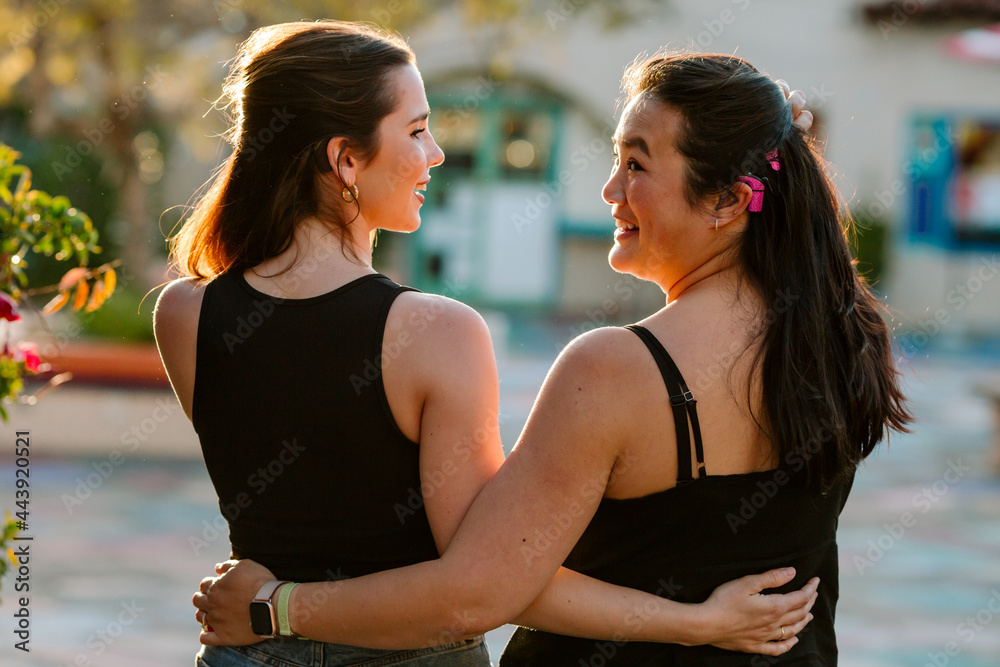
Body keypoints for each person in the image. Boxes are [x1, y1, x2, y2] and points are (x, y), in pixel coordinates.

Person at [193, 47, 912, 664]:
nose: (610, 191)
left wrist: (272, 605)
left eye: (636, 164)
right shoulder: (846, 336)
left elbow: (485, 585)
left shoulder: (614, 369)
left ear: (726, 200)